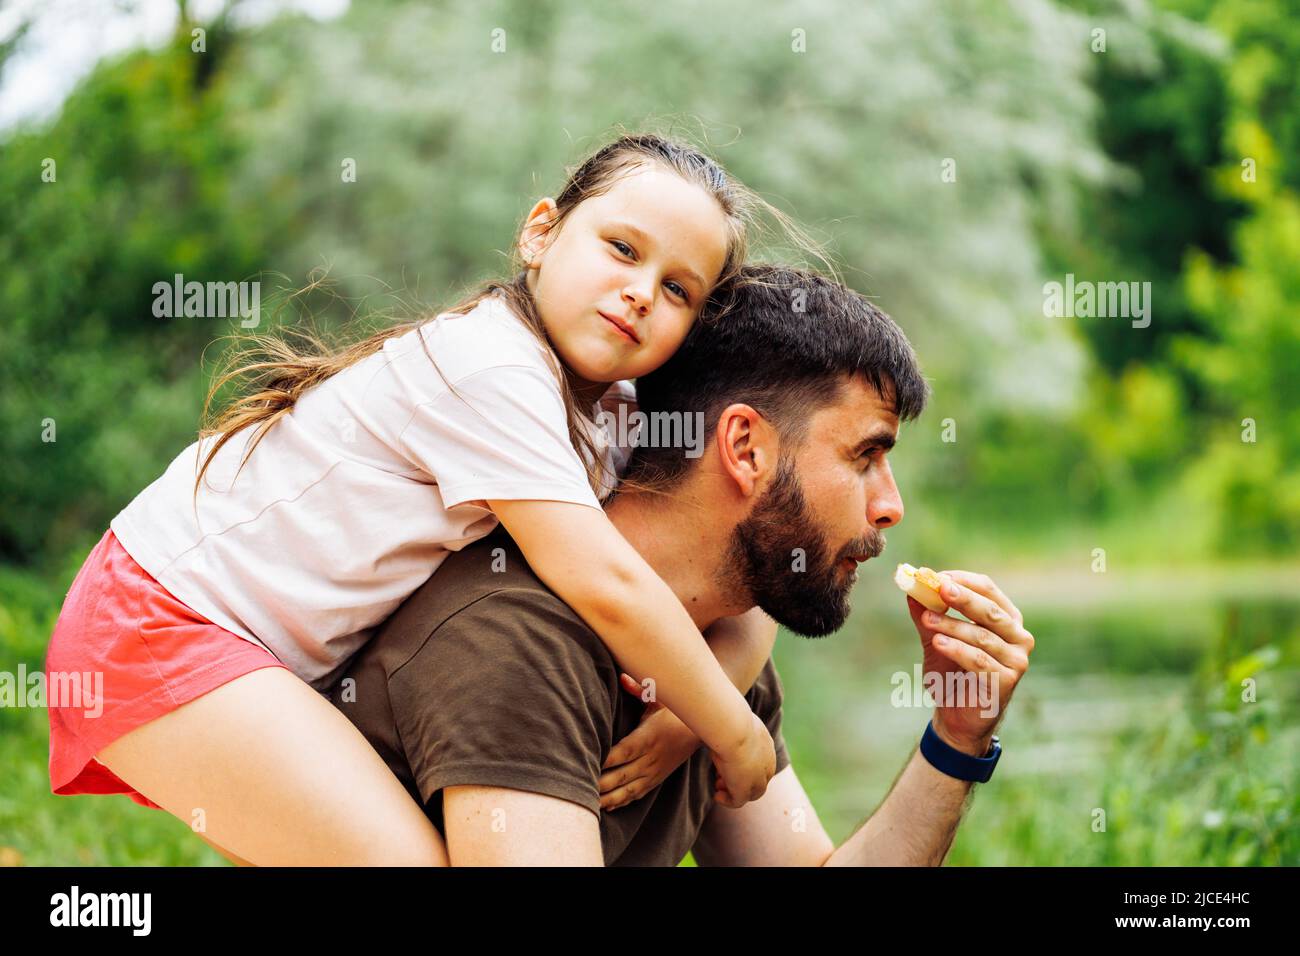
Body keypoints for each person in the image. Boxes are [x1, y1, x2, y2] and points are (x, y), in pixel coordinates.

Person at [45, 133, 818, 865]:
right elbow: (606, 583)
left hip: (259, 657)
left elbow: (730, 564)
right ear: (540, 234)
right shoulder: (490, 366)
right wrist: (735, 733)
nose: (641, 291)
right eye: (622, 248)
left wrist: (705, 713)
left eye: (678, 288)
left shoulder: (611, 409)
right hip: (164, 620)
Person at [333, 264, 1036, 865]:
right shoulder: (519, 640)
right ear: (745, 448)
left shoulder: (714, 651)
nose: (890, 506)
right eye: (865, 456)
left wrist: (956, 738)